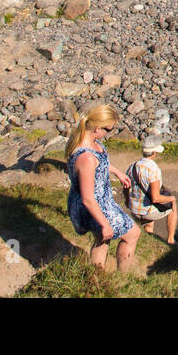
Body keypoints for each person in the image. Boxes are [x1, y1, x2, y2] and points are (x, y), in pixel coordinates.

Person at [67, 104, 140, 271]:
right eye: (109, 129)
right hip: (92, 206)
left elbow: (101, 164)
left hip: (99, 201)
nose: (109, 133)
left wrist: (117, 172)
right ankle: (123, 276)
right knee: (132, 234)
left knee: (102, 239)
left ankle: (96, 279)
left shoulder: (88, 143)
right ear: (98, 129)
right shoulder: (86, 158)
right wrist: (104, 223)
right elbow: (87, 198)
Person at [127, 135, 178, 245]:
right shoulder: (153, 169)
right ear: (154, 153)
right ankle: (171, 240)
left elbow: (126, 187)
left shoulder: (132, 166)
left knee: (148, 203)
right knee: (172, 207)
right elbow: (156, 198)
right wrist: (172, 198)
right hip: (147, 212)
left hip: (134, 210)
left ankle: (148, 232)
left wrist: (128, 202)